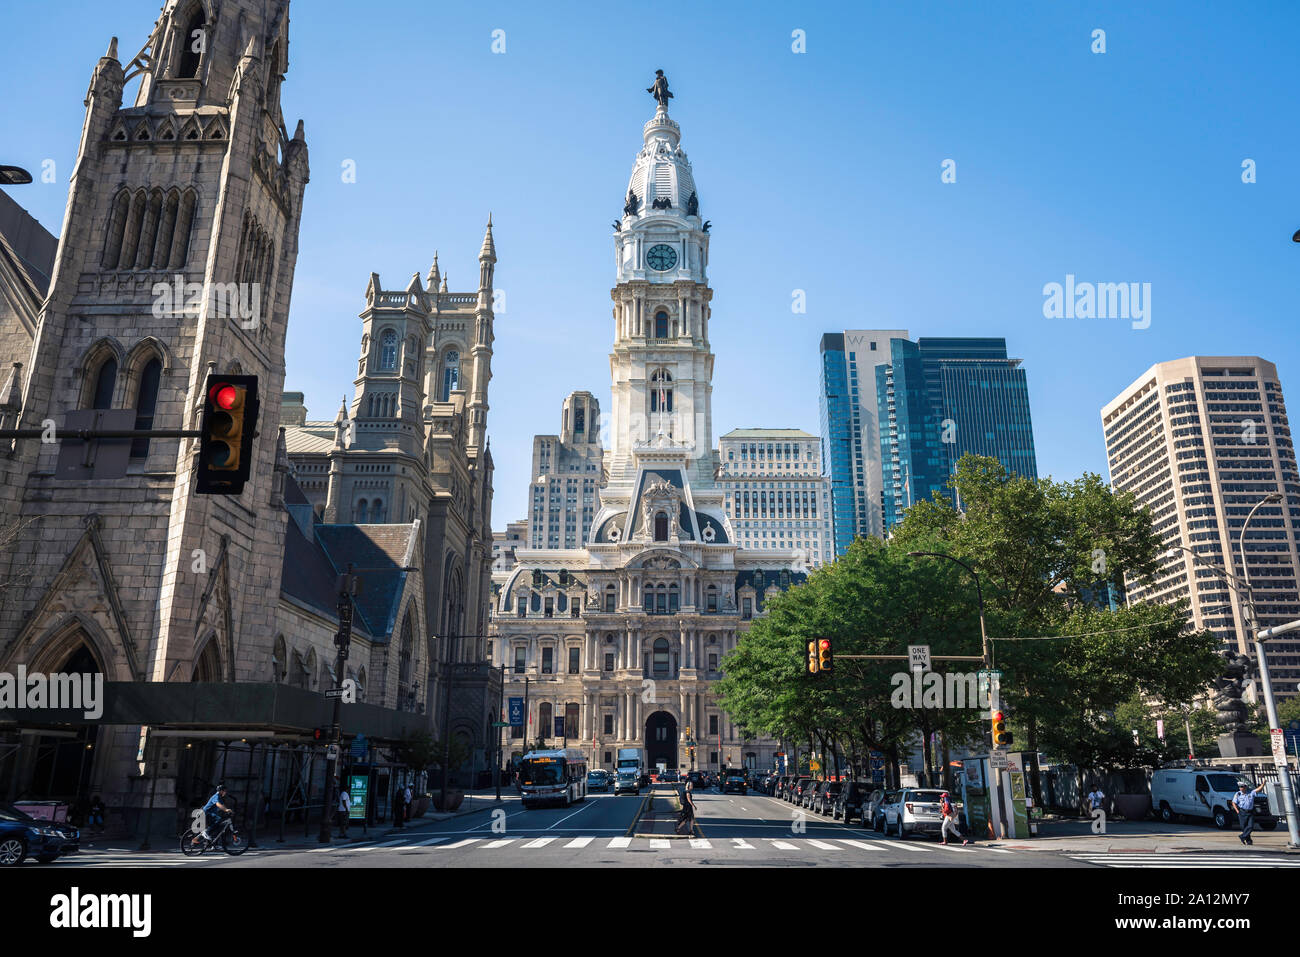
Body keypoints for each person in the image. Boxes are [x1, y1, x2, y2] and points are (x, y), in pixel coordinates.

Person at [1232, 780, 1266, 846]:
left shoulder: (1251, 793)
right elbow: (1233, 802)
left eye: (1242, 787)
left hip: (1250, 812)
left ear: (1245, 787)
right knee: (1243, 827)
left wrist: (1263, 784)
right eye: (1240, 787)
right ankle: (1249, 841)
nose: (1240, 788)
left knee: (1250, 826)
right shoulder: (1238, 794)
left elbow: (1258, 789)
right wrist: (1237, 811)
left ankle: (1242, 836)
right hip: (1242, 812)